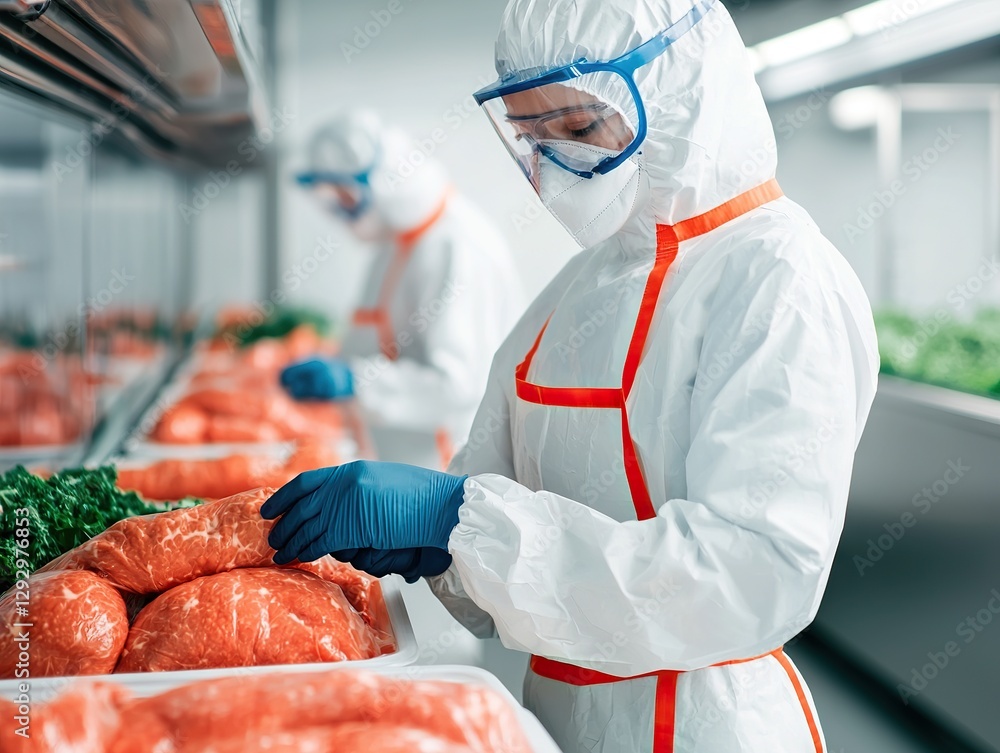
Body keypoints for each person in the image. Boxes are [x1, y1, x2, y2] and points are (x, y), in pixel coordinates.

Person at [262, 1, 880, 751]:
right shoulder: (580, 285)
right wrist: (442, 550)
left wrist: (459, 520)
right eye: (533, 137)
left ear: (680, 92)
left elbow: (750, 572)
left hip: (700, 725)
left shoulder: (780, 278)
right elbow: (496, 489)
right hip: (561, 712)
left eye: (580, 130)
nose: (556, 168)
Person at [284, 111, 524, 462]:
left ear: (383, 184)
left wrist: (355, 381)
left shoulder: (455, 246)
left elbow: (459, 386)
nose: (339, 212)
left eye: (345, 197)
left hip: (443, 464)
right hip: (396, 457)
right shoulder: (398, 241)